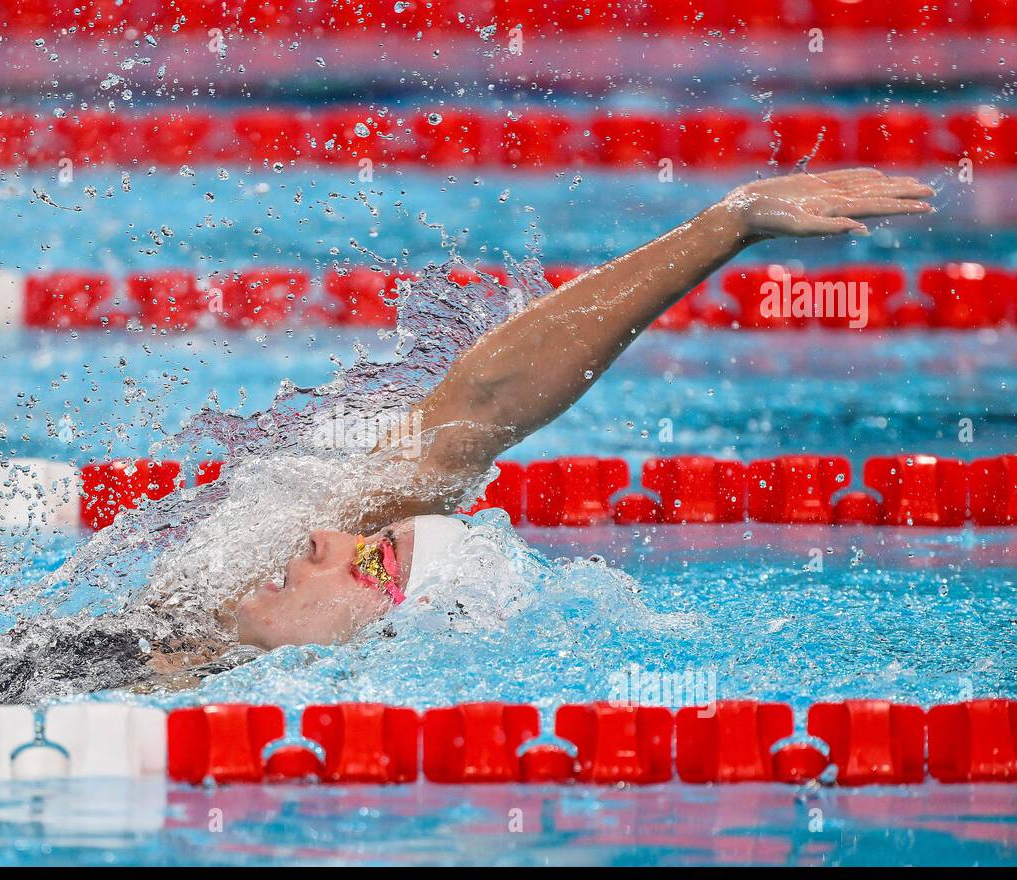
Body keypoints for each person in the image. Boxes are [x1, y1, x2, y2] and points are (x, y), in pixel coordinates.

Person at [230, 168, 934, 649]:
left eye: (374, 562)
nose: (320, 537)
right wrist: (727, 225)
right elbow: (482, 405)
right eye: (369, 545)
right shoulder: (202, 617)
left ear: (393, 638)